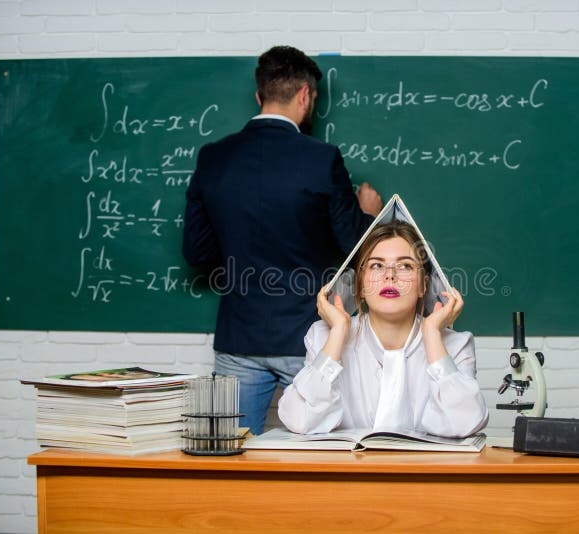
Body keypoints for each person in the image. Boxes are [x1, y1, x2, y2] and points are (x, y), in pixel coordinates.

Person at [182, 45, 382, 436]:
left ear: (260, 96)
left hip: (239, 338)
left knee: (226, 455)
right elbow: (352, 245)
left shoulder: (213, 157)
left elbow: (197, 251)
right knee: (314, 462)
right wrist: (369, 214)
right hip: (308, 339)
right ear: (305, 95)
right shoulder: (321, 159)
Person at [278, 220, 489, 438]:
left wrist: (432, 334)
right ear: (359, 285)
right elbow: (299, 420)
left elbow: (465, 423)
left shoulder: (454, 345)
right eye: (377, 265)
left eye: (405, 265)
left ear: (423, 286)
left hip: (424, 471)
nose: (390, 275)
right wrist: (339, 330)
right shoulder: (325, 336)